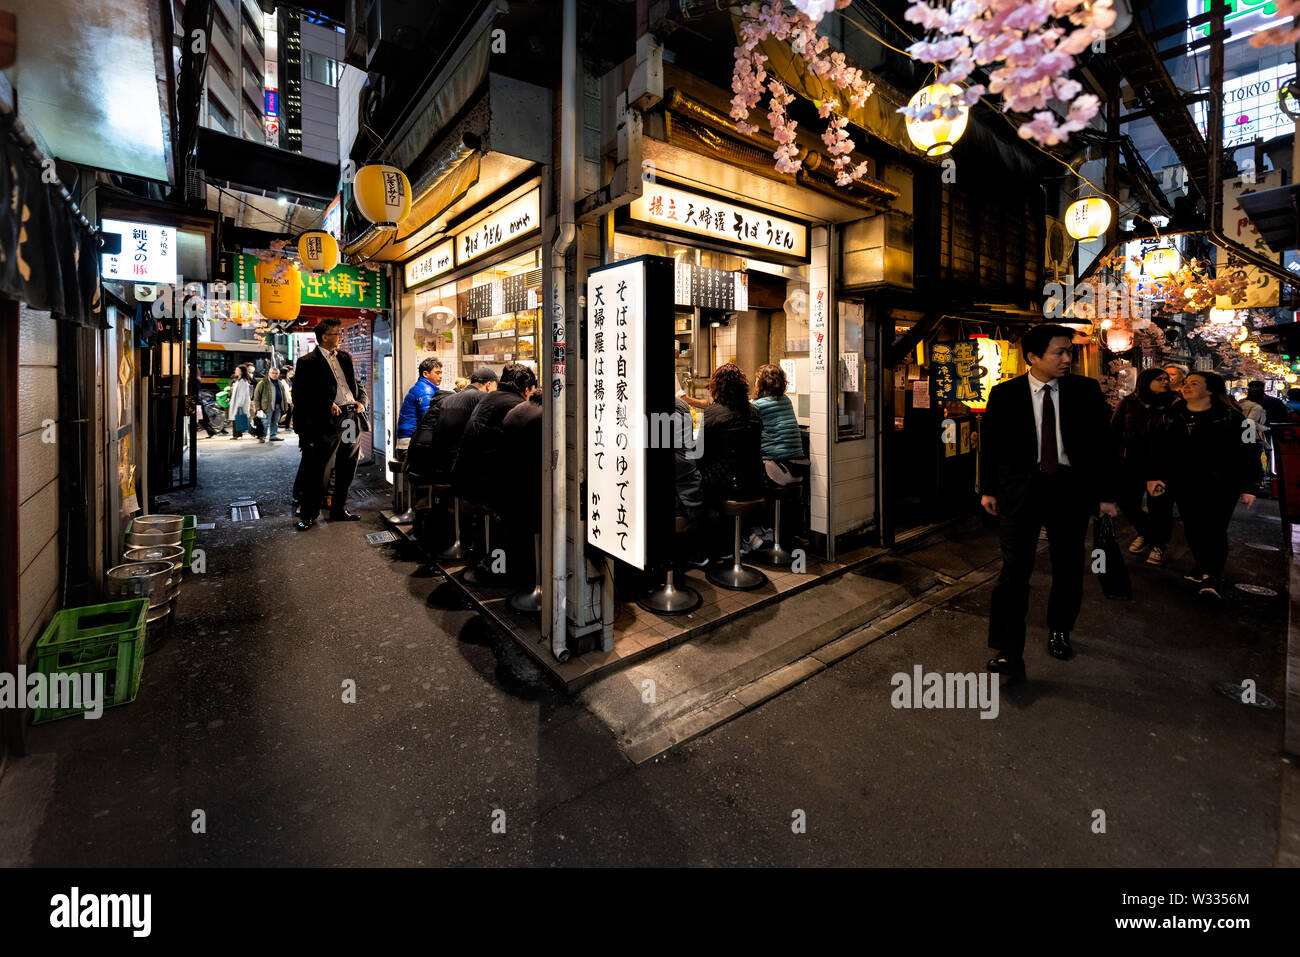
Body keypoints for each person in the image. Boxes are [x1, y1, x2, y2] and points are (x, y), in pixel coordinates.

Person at [978, 324, 1119, 681]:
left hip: (1069, 488)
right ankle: (1008, 650)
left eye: (1069, 352)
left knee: (1068, 565)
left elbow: (1104, 446)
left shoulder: (1085, 391)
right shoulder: (1005, 394)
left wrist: (1105, 496)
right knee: (1013, 571)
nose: (1068, 359)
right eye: (1059, 352)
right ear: (1033, 357)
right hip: (1020, 490)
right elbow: (991, 445)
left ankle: (1060, 629)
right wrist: (988, 489)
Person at [1146, 371, 1259, 598]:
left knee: (1214, 529)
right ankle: (1202, 566)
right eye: (1186, 383)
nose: (1186, 387)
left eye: (1194, 384)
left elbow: (1249, 452)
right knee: (1193, 527)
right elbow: (1155, 448)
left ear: (1210, 390)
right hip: (1184, 483)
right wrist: (1153, 476)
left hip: (1222, 485)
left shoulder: (1233, 417)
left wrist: (1250, 487)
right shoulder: (1171, 414)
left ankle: (1211, 576)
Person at [292, 317, 369, 530]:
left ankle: (339, 508)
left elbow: (356, 384)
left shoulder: (345, 357)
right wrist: (327, 404)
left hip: (349, 417)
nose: (341, 337)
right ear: (325, 336)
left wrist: (361, 401)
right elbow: (301, 395)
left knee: (348, 463)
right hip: (328, 422)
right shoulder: (307, 362)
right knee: (320, 468)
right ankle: (308, 514)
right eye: (338, 334)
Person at [696, 363, 766, 559]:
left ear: (717, 387)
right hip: (754, 483)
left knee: (697, 484)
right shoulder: (754, 412)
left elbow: (700, 454)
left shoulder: (712, 413)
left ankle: (713, 550)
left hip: (724, 486)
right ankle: (743, 537)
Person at [1110, 368, 1176, 565]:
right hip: (1131, 461)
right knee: (1126, 500)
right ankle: (1147, 532)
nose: (1165, 382)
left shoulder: (1173, 404)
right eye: (1159, 379)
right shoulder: (1129, 403)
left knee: (1159, 506)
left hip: (1160, 464)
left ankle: (1158, 545)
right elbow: (1114, 430)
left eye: (1166, 379)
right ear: (1146, 382)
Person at [452, 363, 535, 513]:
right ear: (527, 390)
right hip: (483, 485)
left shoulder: (487, 399)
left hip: (462, 477)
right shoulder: (517, 406)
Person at [752, 363, 803, 486]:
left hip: (778, 468)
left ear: (761, 384)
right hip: (798, 467)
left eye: (756, 380)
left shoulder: (757, 406)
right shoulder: (786, 400)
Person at [396, 357, 442, 450]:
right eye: (437, 373)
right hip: (410, 443)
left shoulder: (423, 387)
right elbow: (429, 418)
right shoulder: (425, 391)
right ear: (425, 374)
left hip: (409, 441)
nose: (440, 376)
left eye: (441, 373)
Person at [252, 366, 287, 443]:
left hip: (278, 406)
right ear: (269, 374)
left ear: (279, 374)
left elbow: (283, 395)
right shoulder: (262, 383)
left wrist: (285, 406)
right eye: (273, 373)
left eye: (276, 373)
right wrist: (258, 407)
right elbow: (257, 396)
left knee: (275, 421)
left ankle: (273, 436)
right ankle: (262, 437)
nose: (274, 375)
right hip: (267, 406)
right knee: (265, 422)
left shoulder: (280, 383)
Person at [227, 366, 252, 439]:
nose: (235, 371)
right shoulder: (238, 380)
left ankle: (237, 435)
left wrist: (239, 404)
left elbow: (242, 394)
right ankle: (237, 435)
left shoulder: (243, 381)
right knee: (237, 418)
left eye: (237, 370)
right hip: (236, 402)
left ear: (241, 371)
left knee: (237, 418)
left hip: (239, 403)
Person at [279, 366, 295, 433]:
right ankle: (286, 426)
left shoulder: (286, 379)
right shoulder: (283, 381)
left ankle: (286, 425)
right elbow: (286, 392)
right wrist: (290, 401)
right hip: (286, 400)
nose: (289, 373)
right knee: (288, 413)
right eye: (288, 372)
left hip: (287, 399)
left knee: (288, 413)